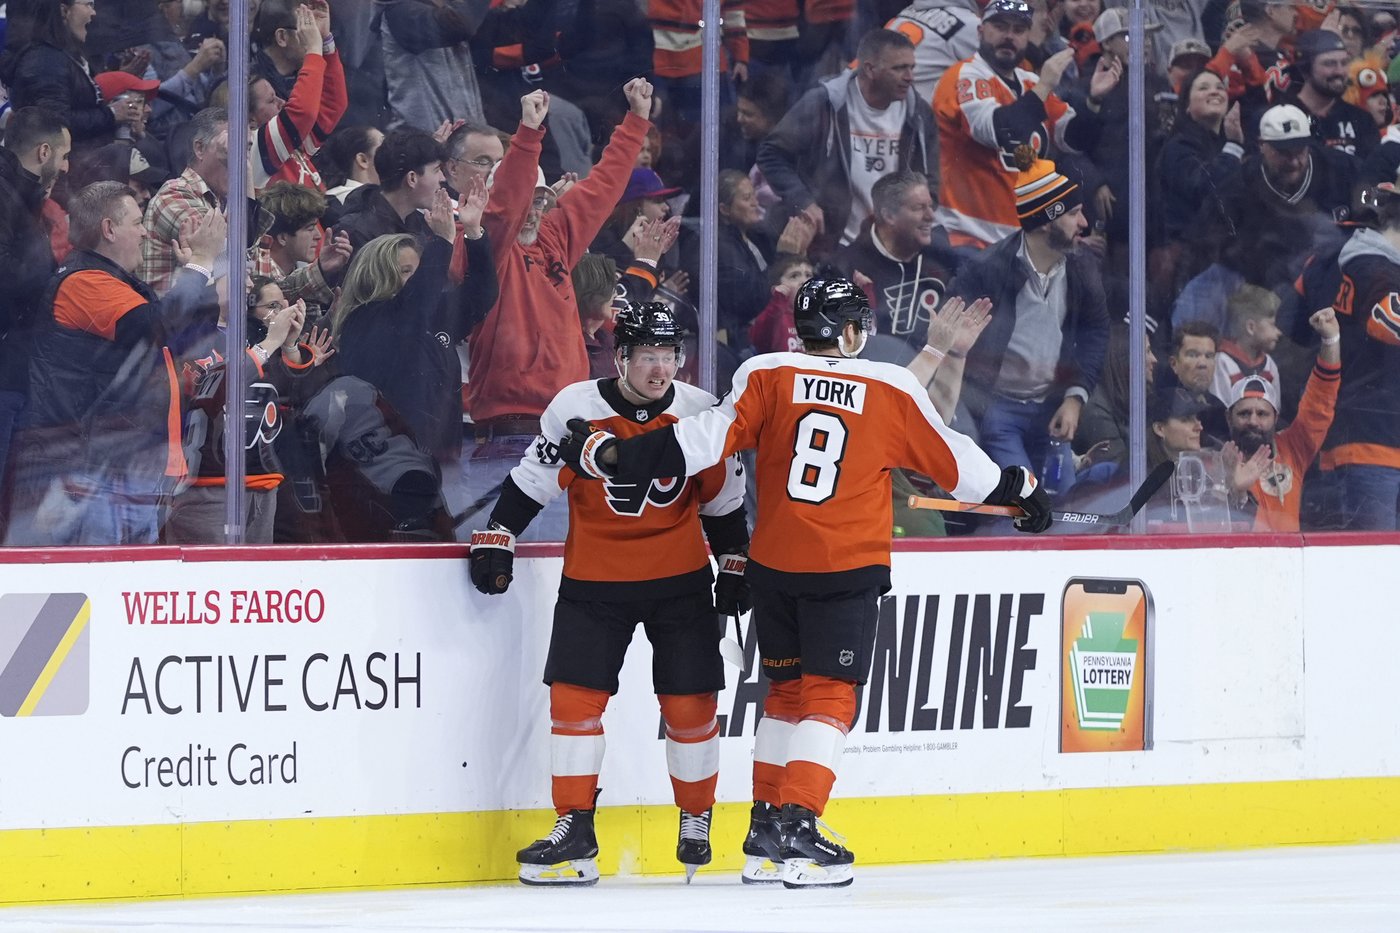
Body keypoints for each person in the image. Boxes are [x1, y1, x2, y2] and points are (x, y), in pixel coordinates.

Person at [557, 277, 1051, 888]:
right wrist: (1024, 491)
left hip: (774, 570)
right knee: (831, 697)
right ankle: (799, 826)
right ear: (850, 330)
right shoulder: (889, 384)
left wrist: (615, 457)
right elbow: (962, 471)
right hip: (843, 568)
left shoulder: (765, 373)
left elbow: (698, 443)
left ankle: (765, 829)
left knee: (787, 694)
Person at [468, 303, 749, 886]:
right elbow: (532, 479)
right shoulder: (575, 407)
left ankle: (695, 816)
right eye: (649, 356)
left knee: (690, 705)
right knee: (573, 705)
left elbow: (722, 501)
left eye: (670, 356)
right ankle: (575, 828)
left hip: (680, 585)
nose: (661, 369)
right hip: (595, 583)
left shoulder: (699, 411)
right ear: (621, 356)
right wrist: (498, 536)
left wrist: (735, 562)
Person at [462, 81, 654, 540]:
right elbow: (505, 208)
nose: (534, 209)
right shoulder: (486, 253)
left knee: (564, 567)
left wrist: (635, 122)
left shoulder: (554, 239)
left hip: (571, 437)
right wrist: (528, 134)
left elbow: (602, 189)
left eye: (542, 200)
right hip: (512, 440)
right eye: (528, 199)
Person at [6, 183, 226, 545]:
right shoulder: (83, 282)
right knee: (94, 586)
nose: (144, 231)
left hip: (122, 471)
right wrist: (199, 265)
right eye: (138, 222)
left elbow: (189, 334)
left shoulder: (116, 284)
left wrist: (196, 271)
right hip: (88, 476)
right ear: (109, 229)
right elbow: (155, 329)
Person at [948, 155, 1109, 490]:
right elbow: (947, 335)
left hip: (1051, 407)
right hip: (997, 412)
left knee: (1066, 502)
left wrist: (1074, 398)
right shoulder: (989, 269)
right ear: (1046, 221)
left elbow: (1096, 332)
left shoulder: (1082, 267)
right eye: (1073, 213)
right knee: (1023, 502)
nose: (1084, 223)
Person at [932, 0, 1121, 249]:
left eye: (1019, 30)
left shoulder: (1030, 82)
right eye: (1000, 27)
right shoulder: (964, 75)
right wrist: (1044, 87)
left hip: (1019, 240)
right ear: (980, 31)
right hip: (966, 236)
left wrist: (1093, 101)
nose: (1009, 36)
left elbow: (1072, 140)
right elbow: (1001, 131)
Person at [334, 179, 495, 464]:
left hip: (442, 459)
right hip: (384, 463)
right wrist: (443, 241)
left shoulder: (428, 313)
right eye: (407, 271)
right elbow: (414, 303)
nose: (419, 278)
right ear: (377, 274)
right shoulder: (366, 318)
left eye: (419, 270)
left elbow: (481, 294)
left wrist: (473, 232)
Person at [757, 28, 938, 253]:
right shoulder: (825, 103)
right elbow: (771, 154)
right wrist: (803, 201)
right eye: (899, 68)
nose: (910, 77)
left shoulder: (918, 112)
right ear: (870, 69)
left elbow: (930, 180)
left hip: (890, 248)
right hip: (832, 247)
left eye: (911, 67)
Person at [1317, 181, 1400, 529]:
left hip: (1379, 436)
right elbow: (1388, 322)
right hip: (1370, 442)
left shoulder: (1365, 263)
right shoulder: (1372, 266)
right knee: (1373, 568)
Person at [0, 108, 71, 495]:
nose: (66, 166)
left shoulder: (20, 193)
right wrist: (52, 275)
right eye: (63, 155)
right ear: (44, 152)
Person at [1221, 308, 1340, 532]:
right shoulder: (1217, 462)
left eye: (1262, 414)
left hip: (1292, 563)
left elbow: (1319, 402)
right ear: (1229, 417)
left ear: (1276, 417)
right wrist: (1235, 491)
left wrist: (1331, 339)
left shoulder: (1293, 448)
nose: (1253, 421)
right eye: (1244, 413)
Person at [834, 170, 957, 362]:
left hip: (931, 377)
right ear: (889, 215)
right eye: (919, 208)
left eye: (930, 207)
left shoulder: (943, 256)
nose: (931, 216)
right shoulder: (846, 267)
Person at [0, 0, 144, 150]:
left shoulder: (62, 55)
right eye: (88, 4)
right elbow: (54, 123)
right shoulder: (45, 61)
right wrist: (112, 113)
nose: (93, 12)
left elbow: (78, 100)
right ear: (64, 10)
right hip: (69, 167)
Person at [249, 0, 348, 191]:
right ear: (250, 120)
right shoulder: (254, 149)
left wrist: (325, 40)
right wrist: (313, 50)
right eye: (304, 27)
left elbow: (332, 106)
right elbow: (302, 114)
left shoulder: (290, 145)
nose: (282, 103)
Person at [139, 107, 228, 296]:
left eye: (246, 149)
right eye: (227, 148)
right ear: (199, 148)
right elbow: (232, 257)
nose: (237, 158)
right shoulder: (175, 195)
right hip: (171, 322)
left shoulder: (221, 199)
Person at [1283, 29, 1376, 159]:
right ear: (1306, 69)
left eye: (1344, 63)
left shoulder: (1362, 120)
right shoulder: (1281, 116)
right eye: (1329, 64)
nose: (1340, 71)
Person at [1211, 284, 1283, 408]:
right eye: (1272, 324)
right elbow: (1220, 409)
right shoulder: (1222, 362)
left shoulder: (1269, 365)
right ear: (1251, 327)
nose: (1279, 332)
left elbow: (1275, 409)